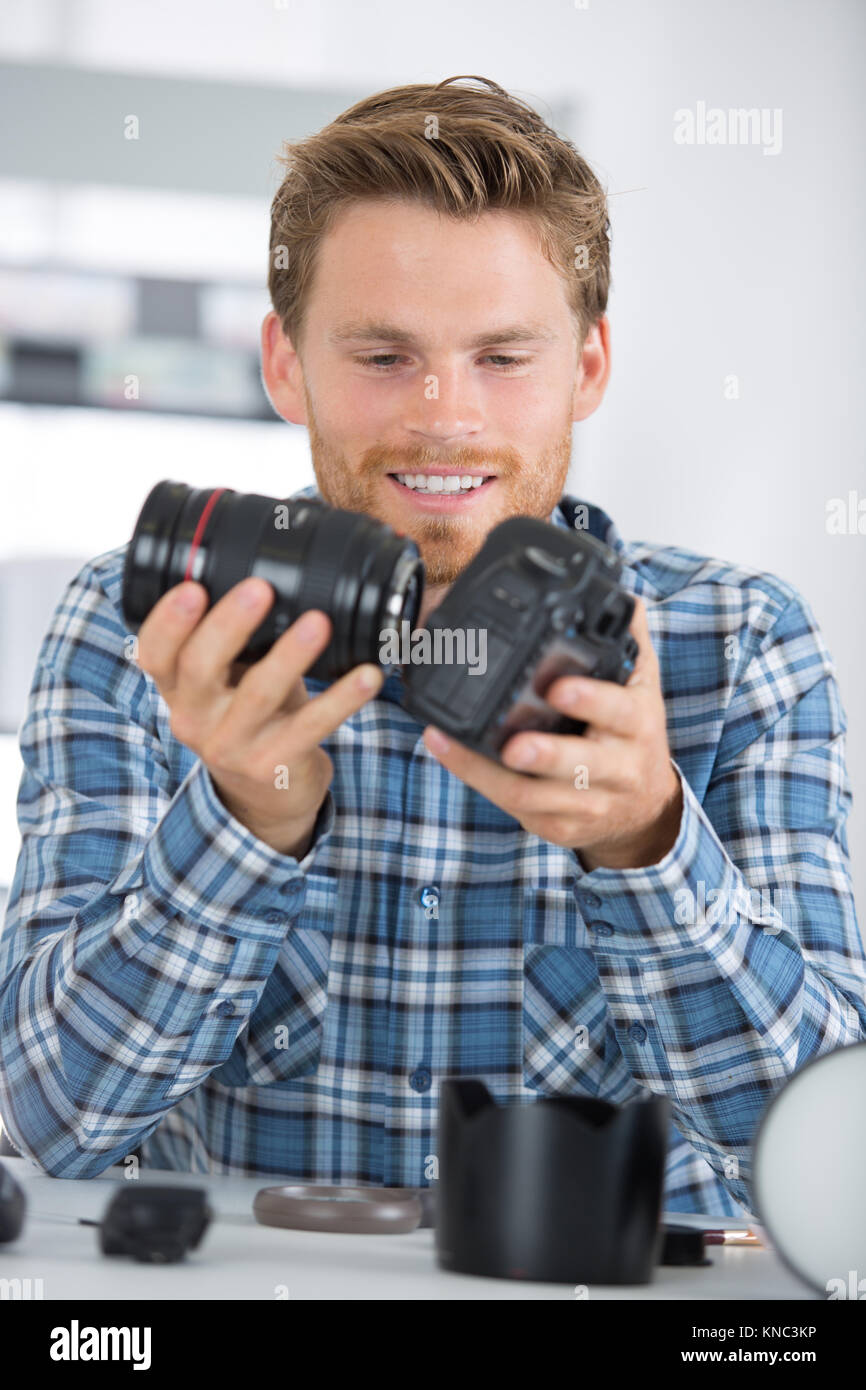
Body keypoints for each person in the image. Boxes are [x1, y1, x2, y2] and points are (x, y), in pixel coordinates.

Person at [1, 76, 863, 1219]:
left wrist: (646, 843)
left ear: (587, 369)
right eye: (380, 355)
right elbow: (56, 1116)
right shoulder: (147, 626)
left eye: (503, 357)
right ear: (284, 363)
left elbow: (824, 1167)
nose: (443, 415)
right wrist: (246, 822)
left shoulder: (738, 641)